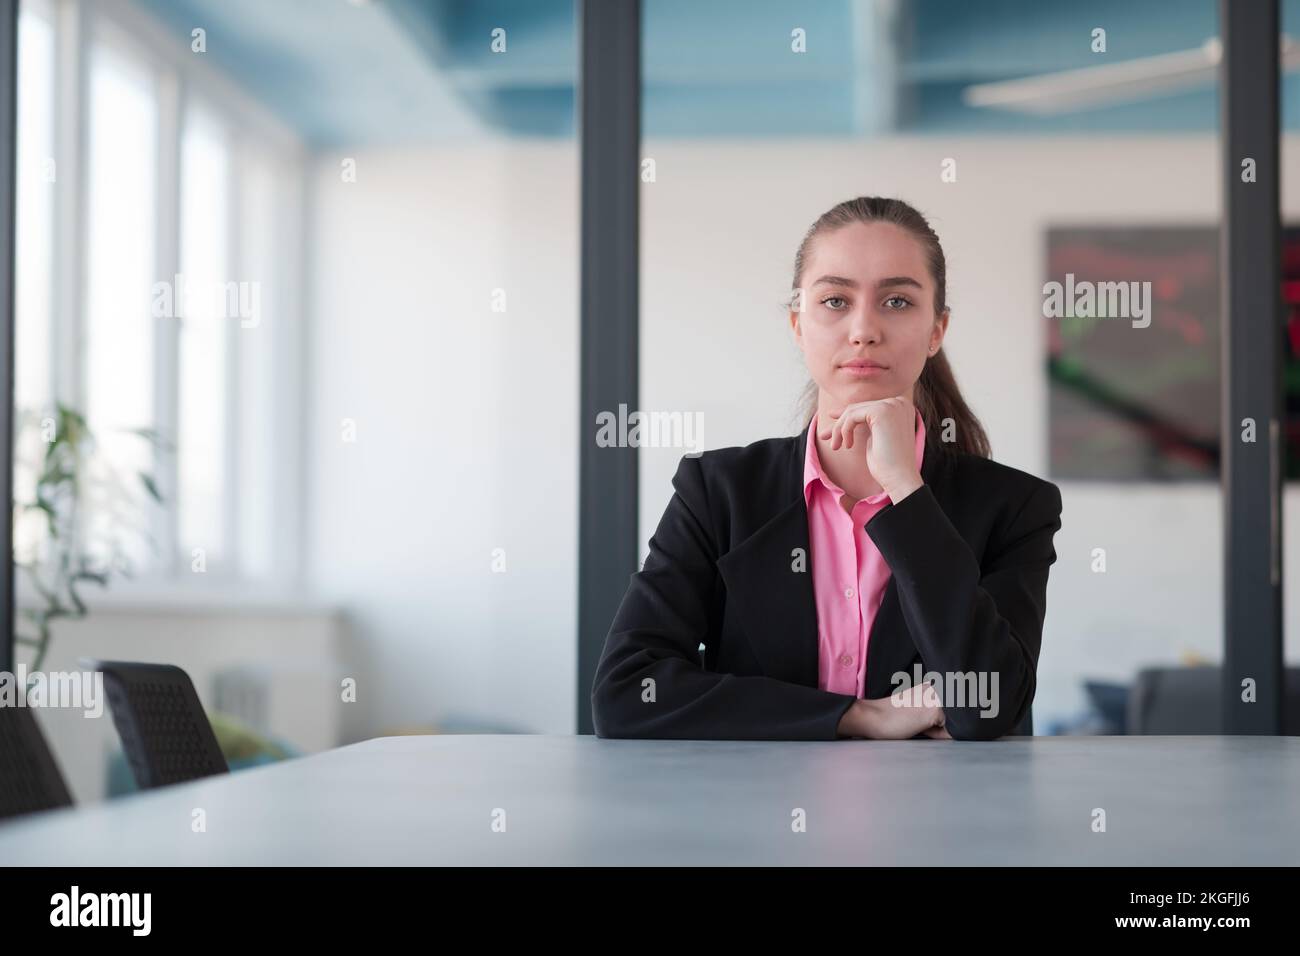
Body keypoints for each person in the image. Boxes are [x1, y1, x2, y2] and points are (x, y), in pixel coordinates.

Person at [591, 196, 1063, 741]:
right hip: (753, 816)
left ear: (937, 330)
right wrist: (861, 715)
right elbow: (627, 692)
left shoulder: (1013, 507)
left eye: (897, 302)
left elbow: (988, 704)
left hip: (938, 819)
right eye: (836, 300)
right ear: (798, 323)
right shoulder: (718, 492)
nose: (863, 330)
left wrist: (906, 493)